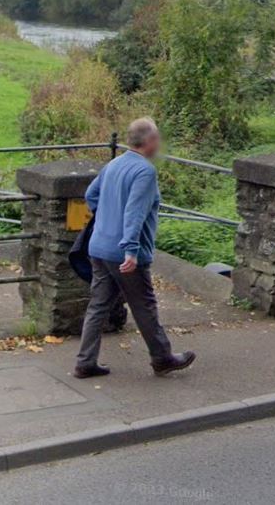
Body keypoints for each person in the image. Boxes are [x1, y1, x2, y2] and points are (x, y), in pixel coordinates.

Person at [74, 118, 196, 379]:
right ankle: (162, 358)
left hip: (99, 247)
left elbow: (91, 195)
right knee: (144, 305)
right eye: (158, 138)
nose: (160, 143)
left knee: (98, 305)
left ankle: (85, 362)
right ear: (149, 141)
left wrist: (106, 220)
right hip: (124, 254)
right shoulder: (144, 172)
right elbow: (135, 212)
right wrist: (130, 249)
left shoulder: (113, 164)